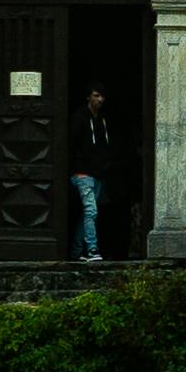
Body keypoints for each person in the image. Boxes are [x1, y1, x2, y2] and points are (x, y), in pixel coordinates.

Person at [72, 83, 121, 261]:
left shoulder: (103, 119)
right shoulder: (79, 118)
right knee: (91, 211)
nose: (100, 100)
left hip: (99, 174)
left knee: (87, 213)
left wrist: (106, 164)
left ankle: (77, 251)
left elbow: (108, 145)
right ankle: (91, 250)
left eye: (102, 96)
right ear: (88, 97)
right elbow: (73, 144)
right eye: (96, 95)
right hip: (83, 173)